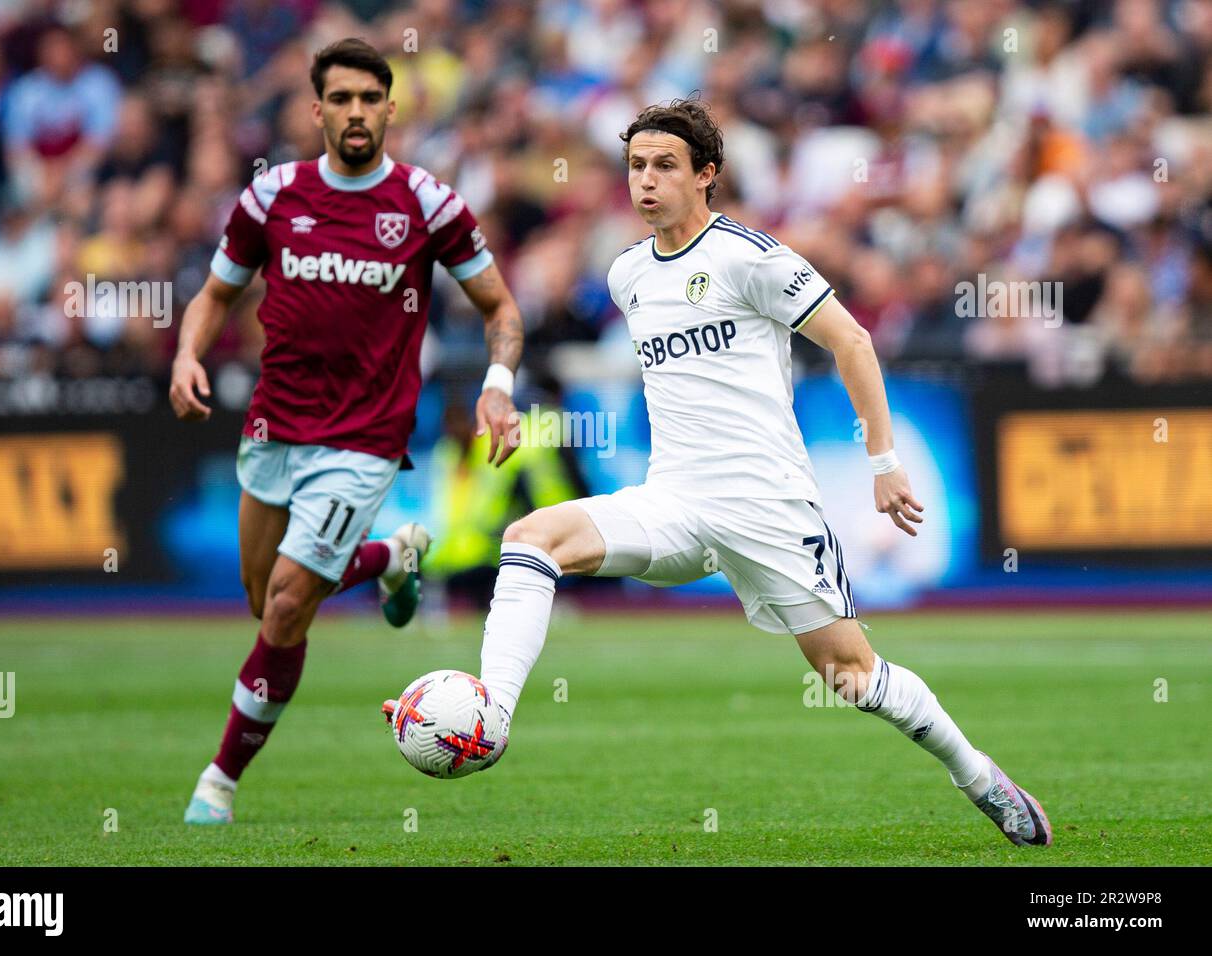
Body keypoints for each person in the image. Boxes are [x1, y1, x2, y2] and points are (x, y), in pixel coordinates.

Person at [387, 98, 1051, 848]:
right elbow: (526, 331)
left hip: (768, 509)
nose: (646, 181)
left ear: (706, 175)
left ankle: (978, 776)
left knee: (853, 680)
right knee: (534, 536)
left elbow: (852, 342)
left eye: (665, 166)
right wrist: (501, 391)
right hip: (673, 503)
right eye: (636, 166)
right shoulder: (627, 274)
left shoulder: (750, 257)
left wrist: (884, 463)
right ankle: (492, 718)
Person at [170, 38, 524, 825]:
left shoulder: (427, 204)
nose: (357, 112)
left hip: (365, 437)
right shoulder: (272, 198)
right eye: (342, 99)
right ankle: (392, 559)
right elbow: (215, 294)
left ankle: (218, 782)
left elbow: (501, 308)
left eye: (371, 98)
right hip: (275, 425)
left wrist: (497, 387)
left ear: (391, 109)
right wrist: (187, 354)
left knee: (289, 607)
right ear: (317, 108)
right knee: (263, 598)